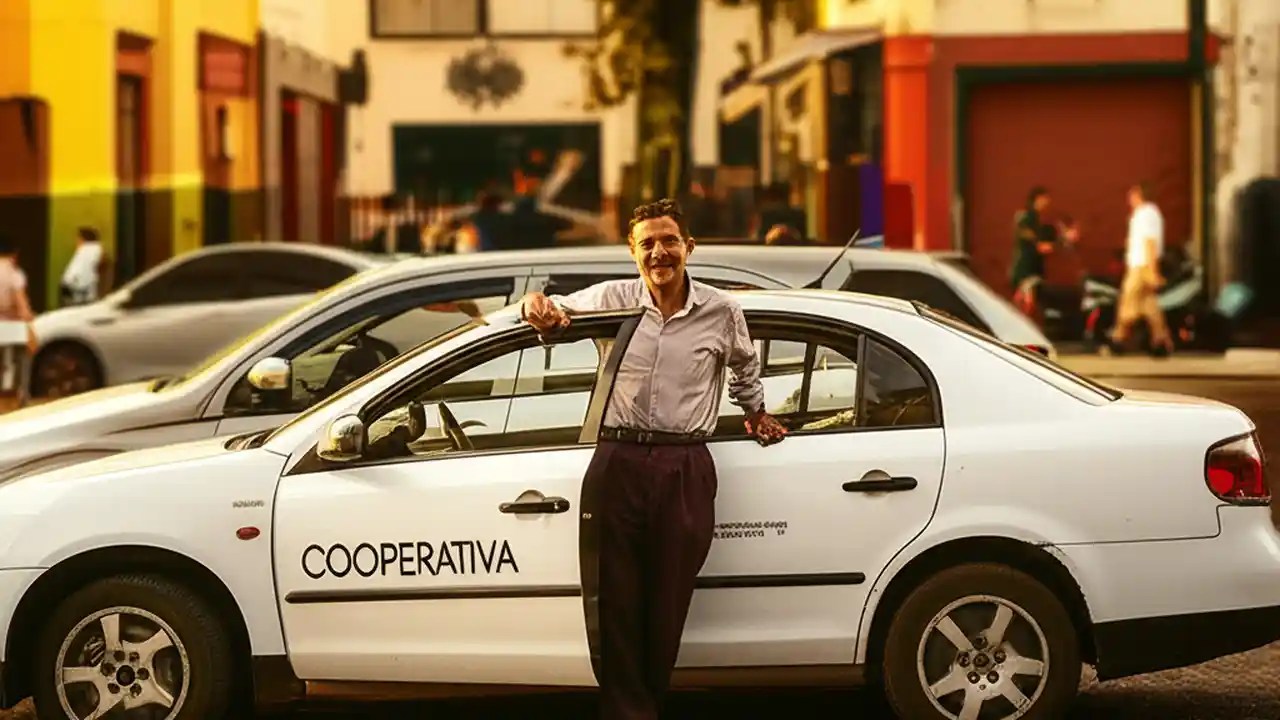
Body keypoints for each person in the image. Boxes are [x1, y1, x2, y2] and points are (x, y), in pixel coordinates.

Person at [519, 198, 788, 719]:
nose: (659, 253)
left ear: (689, 247)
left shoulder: (721, 310)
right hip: (617, 459)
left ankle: (647, 701)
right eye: (647, 244)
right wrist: (535, 304)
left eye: (669, 242)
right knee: (614, 601)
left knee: (668, 600)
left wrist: (754, 412)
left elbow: (743, 366)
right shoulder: (613, 299)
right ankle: (629, 712)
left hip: (684, 466)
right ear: (632, 251)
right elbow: (551, 311)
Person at [1109, 182, 1174, 356]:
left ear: (1139, 195)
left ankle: (1119, 337)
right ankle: (1161, 340)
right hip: (1139, 264)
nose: (1129, 199)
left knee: (1127, 300)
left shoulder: (1147, 214)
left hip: (1142, 266)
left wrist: (1153, 269)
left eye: (1132, 195)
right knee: (1148, 304)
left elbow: (1150, 242)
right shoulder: (1141, 214)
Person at [1009, 185, 1076, 320]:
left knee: (1027, 305)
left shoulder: (1042, 223)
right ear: (1037, 199)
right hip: (1025, 270)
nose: (1048, 202)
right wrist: (1063, 240)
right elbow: (1041, 247)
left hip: (1034, 270)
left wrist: (1065, 238)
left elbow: (1051, 244)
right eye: (1045, 199)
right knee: (1027, 305)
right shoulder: (1026, 219)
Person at [0, 236, 36, 411]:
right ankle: (21, 396)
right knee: (21, 359)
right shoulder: (15, 274)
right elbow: (22, 307)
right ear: (14, 254)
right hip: (10, 327)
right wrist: (30, 324)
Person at [60, 226, 105, 306]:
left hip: (80, 293)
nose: (76, 242)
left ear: (83, 239)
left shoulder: (89, 250)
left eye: (78, 238)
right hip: (80, 292)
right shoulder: (86, 252)